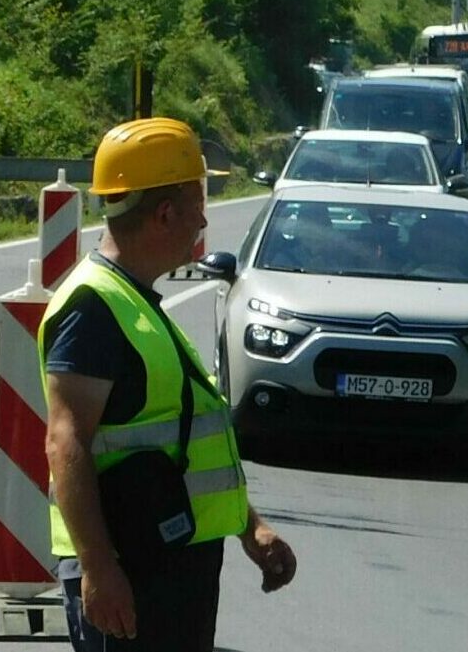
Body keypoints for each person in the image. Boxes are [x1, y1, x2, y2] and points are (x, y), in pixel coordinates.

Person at [41, 117, 296, 650]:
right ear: (165, 213)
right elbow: (66, 443)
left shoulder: (137, 304)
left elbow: (179, 442)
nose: (204, 218)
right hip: (132, 570)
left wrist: (250, 527)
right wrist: (97, 568)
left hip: (167, 560)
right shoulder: (93, 307)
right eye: (198, 201)